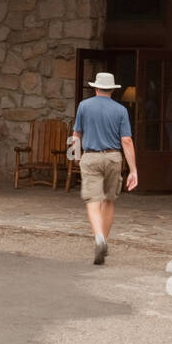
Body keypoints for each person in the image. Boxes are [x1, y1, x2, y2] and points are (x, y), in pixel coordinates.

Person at [72, 72, 138, 266]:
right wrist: (133, 170)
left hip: (90, 156)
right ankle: (104, 240)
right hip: (113, 157)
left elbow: (76, 134)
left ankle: (99, 237)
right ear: (113, 90)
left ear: (95, 87)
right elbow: (126, 140)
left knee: (93, 200)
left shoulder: (84, 106)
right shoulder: (120, 110)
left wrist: (76, 156)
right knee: (109, 200)